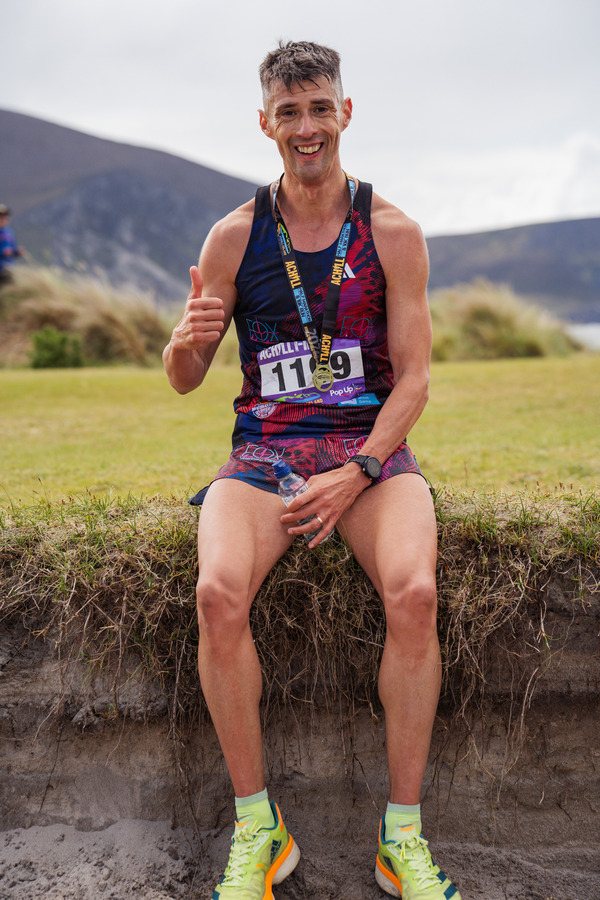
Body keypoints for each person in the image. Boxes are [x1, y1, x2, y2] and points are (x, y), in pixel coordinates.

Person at [163, 40, 461, 900]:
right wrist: (184, 346)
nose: (306, 127)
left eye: (319, 107)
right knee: (217, 593)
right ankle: (260, 830)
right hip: (264, 455)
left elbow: (415, 381)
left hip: (369, 455)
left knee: (414, 594)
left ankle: (400, 837)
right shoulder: (235, 234)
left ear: (345, 113)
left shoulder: (393, 232)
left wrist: (360, 470)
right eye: (288, 112)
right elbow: (187, 379)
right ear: (265, 122)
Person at [0, 204, 24, 285]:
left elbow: (11, 250)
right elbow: (5, 251)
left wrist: (17, 252)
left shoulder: (9, 233)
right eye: (1, 216)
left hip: (8, 269)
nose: (3, 219)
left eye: (5, 216)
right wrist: (3, 252)